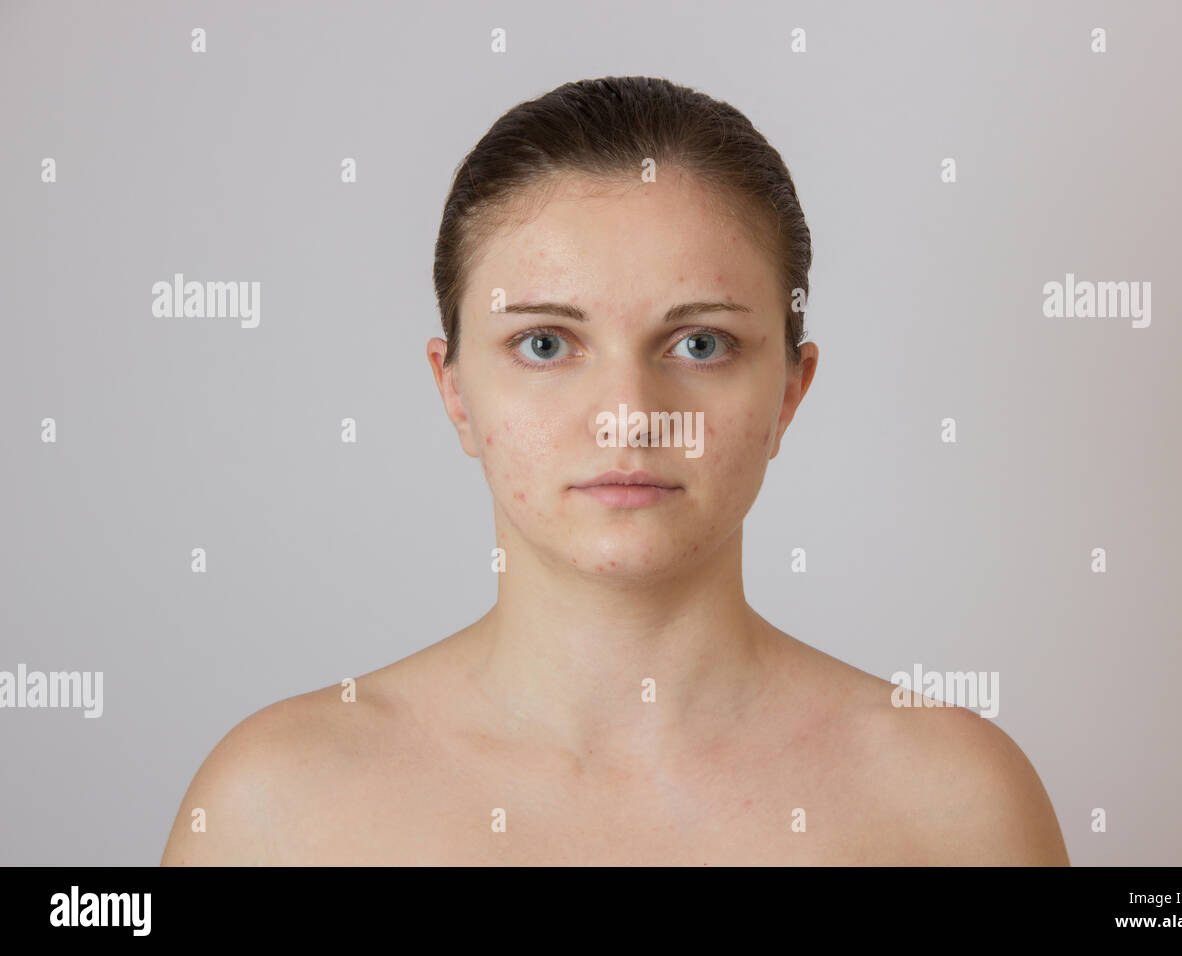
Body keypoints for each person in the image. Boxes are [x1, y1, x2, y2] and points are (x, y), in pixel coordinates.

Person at [161, 76, 1069, 865]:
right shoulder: (275, 806)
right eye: (546, 343)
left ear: (790, 390)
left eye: (701, 342)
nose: (631, 414)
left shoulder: (953, 803)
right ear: (457, 392)